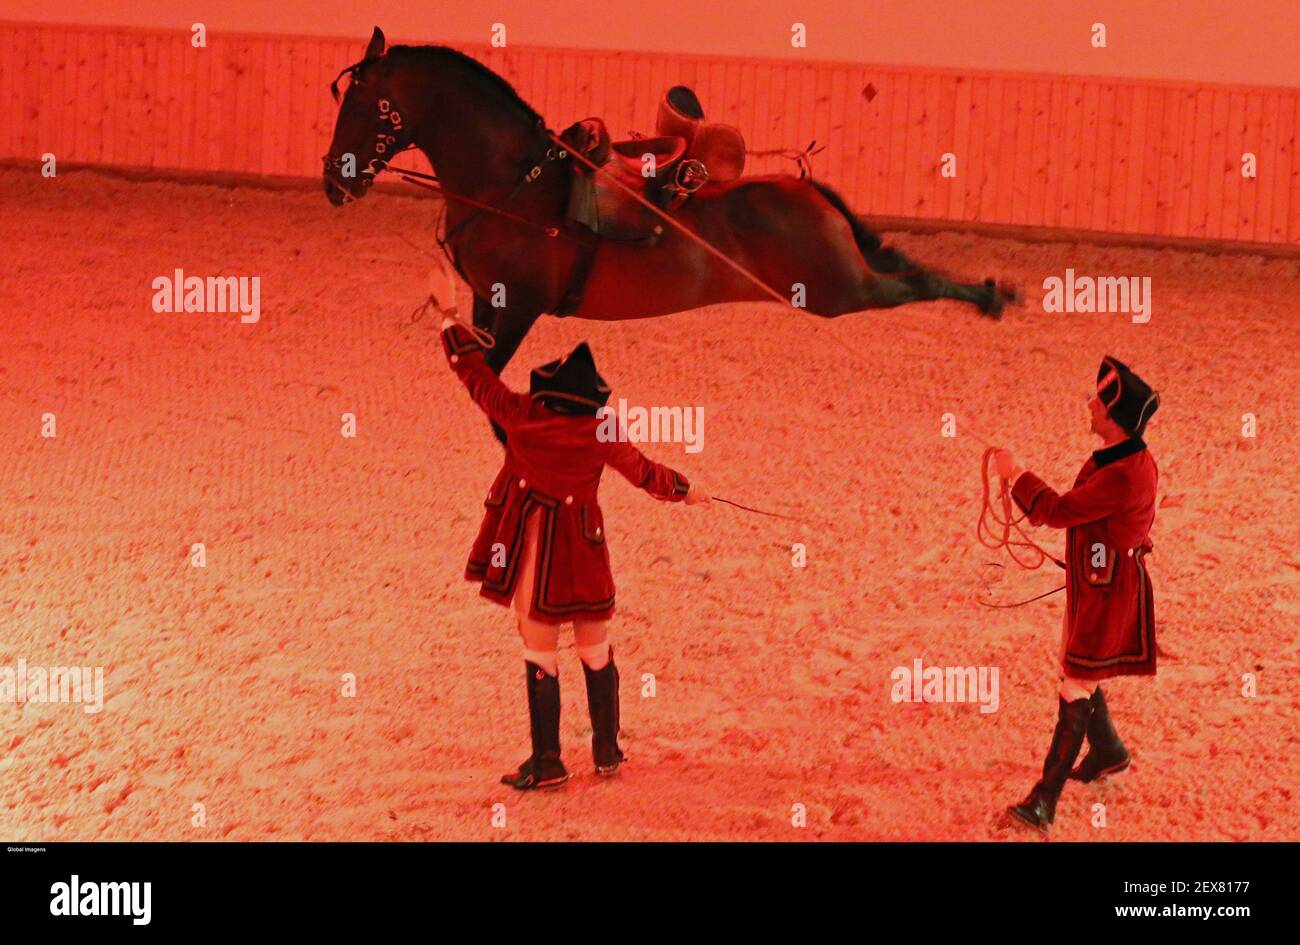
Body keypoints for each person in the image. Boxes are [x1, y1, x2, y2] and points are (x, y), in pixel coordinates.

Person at [439, 314, 710, 790]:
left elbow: (476, 376)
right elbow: (646, 474)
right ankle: (606, 751)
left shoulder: (521, 413)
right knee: (595, 645)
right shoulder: (600, 431)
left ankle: (547, 761)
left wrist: (449, 324)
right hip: (584, 546)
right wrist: (686, 490)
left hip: (532, 544)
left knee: (539, 648)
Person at [995, 355, 1161, 832]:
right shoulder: (1122, 458)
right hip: (1099, 582)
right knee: (1081, 669)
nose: (1090, 405)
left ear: (1114, 417)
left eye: (1098, 402)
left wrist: (1018, 476)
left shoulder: (1122, 473)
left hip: (1107, 590)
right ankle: (1109, 752)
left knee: (1076, 681)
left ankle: (1044, 801)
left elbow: (1058, 510)